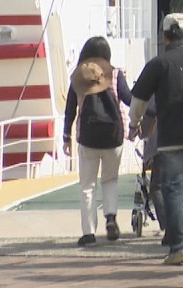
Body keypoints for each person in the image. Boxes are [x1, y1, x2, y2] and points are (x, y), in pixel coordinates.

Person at [128, 13, 183, 266]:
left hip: (171, 137)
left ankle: (179, 245)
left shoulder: (158, 63)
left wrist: (134, 125)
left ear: (164, 37)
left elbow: (138, 100)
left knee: (172, 188)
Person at [63, 36, 132, 246]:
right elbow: (129, 99)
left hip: (89, 137)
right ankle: (110, 217)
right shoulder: (116, 74)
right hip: (114, 136)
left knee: (87, 185)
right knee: (110, 180)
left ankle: (89, 233)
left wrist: (66, 136)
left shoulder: (78, 77)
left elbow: (70, 110)